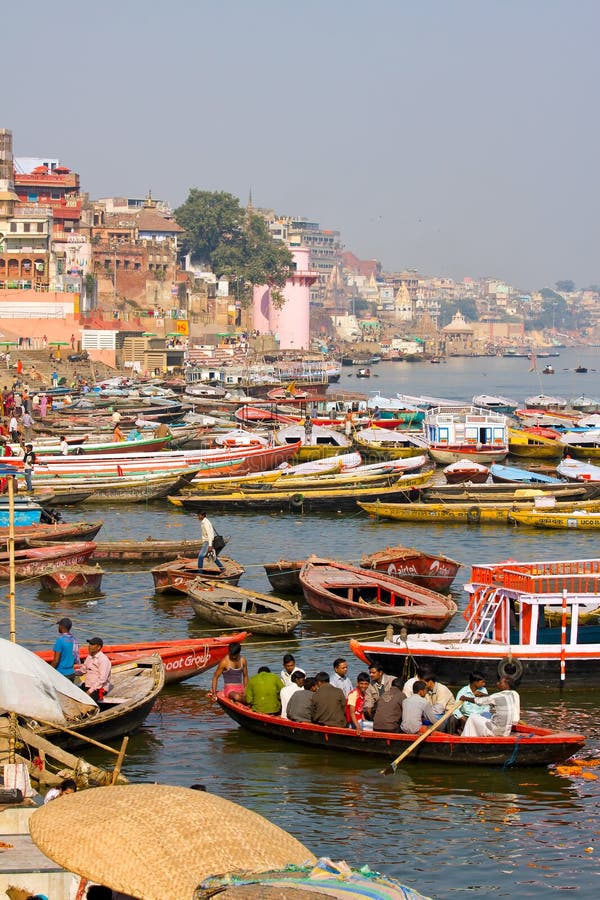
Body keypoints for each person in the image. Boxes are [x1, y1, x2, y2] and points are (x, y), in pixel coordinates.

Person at [75, 637, 112, 702]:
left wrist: (89, 692)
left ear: (98, 647)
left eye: (92, 645)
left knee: (86, 702)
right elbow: (82, 671)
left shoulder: (103, 660)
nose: (89, 646)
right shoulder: (89, 656)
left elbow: (102, 679)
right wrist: (71, 672)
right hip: (88, 685)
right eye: (89, 644)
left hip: (98, 688)